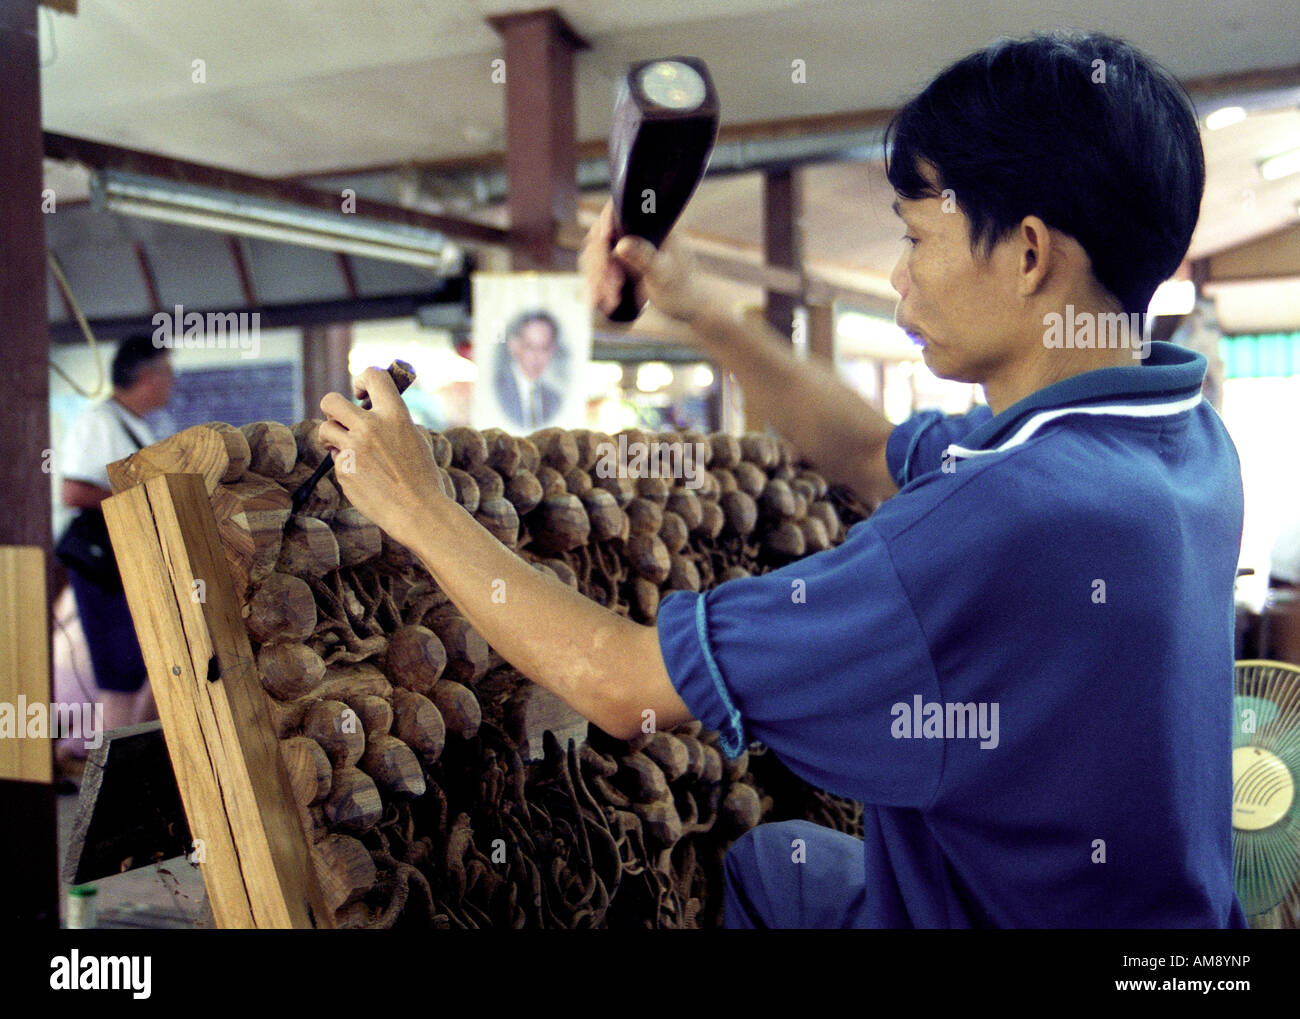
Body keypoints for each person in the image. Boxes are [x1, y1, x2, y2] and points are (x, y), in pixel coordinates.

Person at [319, 32, 1245, 927]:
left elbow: (624, 685)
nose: (899, 276)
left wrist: (418, 506)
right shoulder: (1182, 442)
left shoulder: (991, 524)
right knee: (782, 862)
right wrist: (699, 305)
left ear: (1029, 253)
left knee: (765, 869)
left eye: (919, 238)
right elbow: (867, 452)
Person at [58, 336, 173, 743]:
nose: (172, 383)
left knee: (147, 671)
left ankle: (126, 768)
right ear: (147, 376)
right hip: (104, 567)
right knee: (120, 679)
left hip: (130, 562)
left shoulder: (133, 424)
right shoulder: (99, 422)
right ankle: (110, 783)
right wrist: (140, 498)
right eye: (168, 372)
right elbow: (72, 493)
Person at [493, 310, 564, 429]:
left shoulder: (554, 399)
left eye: (544, 348)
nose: (537, 357)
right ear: (514, 346)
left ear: (552, 350)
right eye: (530, 347)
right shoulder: (497, 389)